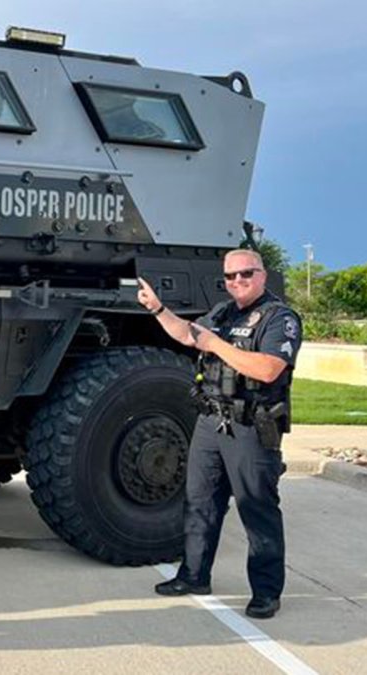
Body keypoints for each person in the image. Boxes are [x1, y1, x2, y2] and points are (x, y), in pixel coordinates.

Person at [136, 249, 302, 620]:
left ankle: (266, 592)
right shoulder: (223, 313)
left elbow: (268, 369)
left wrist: (216, 344)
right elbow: (188, 335)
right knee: (200, 502)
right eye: (230, 276)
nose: (237, 281)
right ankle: (194, 575)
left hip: (251, 425)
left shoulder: (279, 318)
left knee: (256, 508)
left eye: (246, 273)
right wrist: (158, 309)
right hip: (211, 420)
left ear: (262, 275)